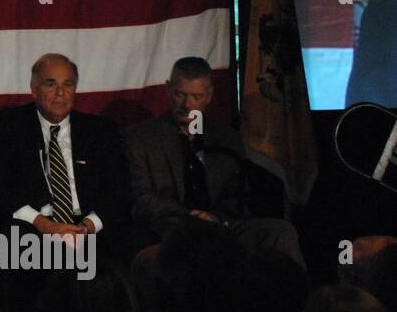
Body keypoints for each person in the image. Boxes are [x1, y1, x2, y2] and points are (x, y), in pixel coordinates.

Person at [0, 52, 130, 312]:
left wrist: (86, 227)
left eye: (68, 84)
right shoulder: (6, 126)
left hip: (87, 227)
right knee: (6, 246)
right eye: (51, 84)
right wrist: (43, 224)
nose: (60, 93)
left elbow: (119, 191)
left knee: (123, 245)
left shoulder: (101, 131)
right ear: (33, 89)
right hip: (32, 225)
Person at [125, 56, 304, 266]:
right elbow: (141, 198)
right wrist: (190, 219)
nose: (187, 104)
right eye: (180, 94)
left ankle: (303, 297)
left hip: (221, 226)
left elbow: (240, 196)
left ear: (209, 95)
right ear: (168, 89)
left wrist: (217, 219)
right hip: (172, 228)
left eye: (196, 96)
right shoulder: (140, 138)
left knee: (280, 232)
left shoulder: (227, 138)